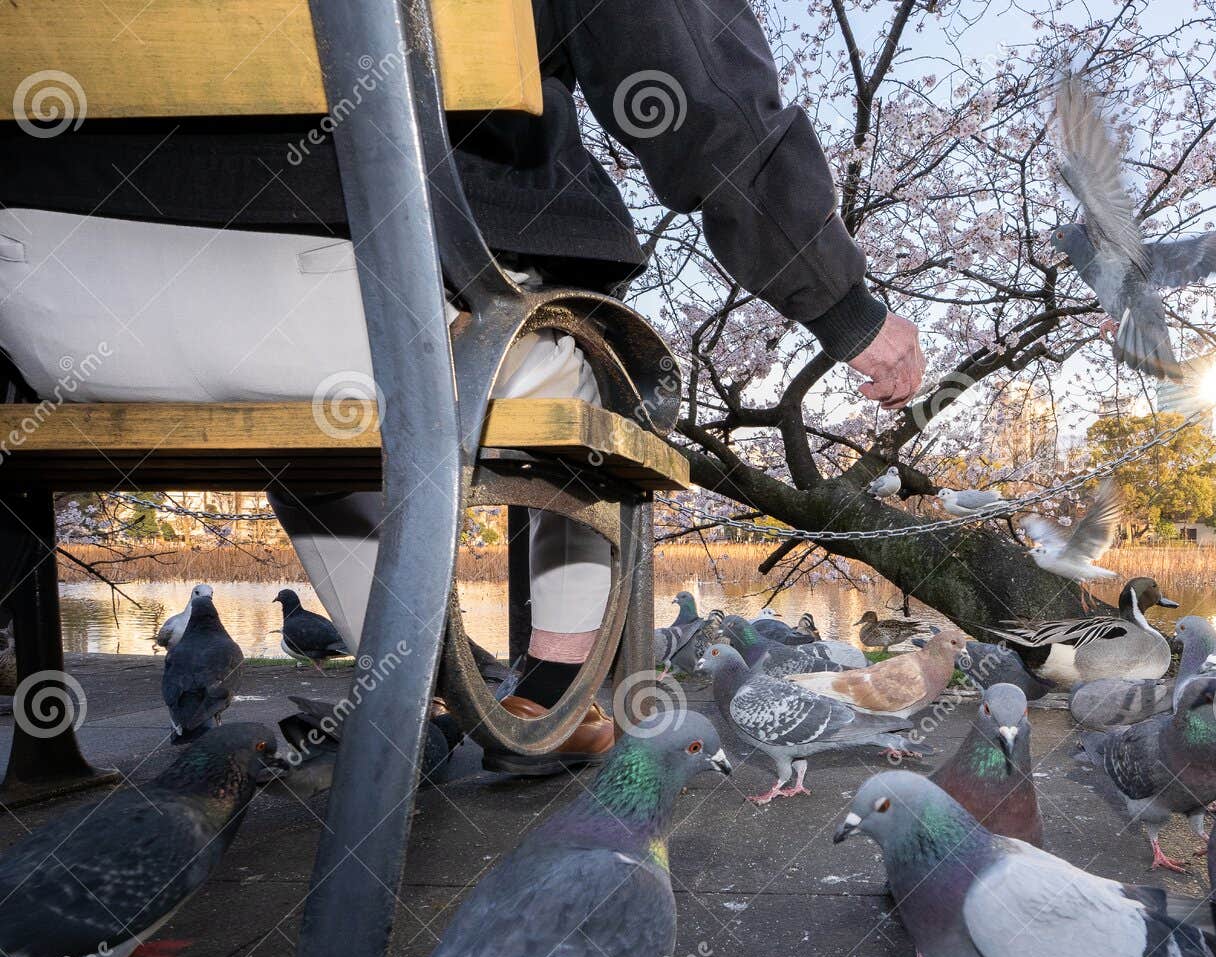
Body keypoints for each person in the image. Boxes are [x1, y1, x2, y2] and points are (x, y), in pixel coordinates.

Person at [0, 0, 926, 768]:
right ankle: (546, 704)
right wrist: (842, 306)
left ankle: (433, 691)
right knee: (602, 372)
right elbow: (699, 98)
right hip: (358, 283)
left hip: (45, 302)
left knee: (309, 419)